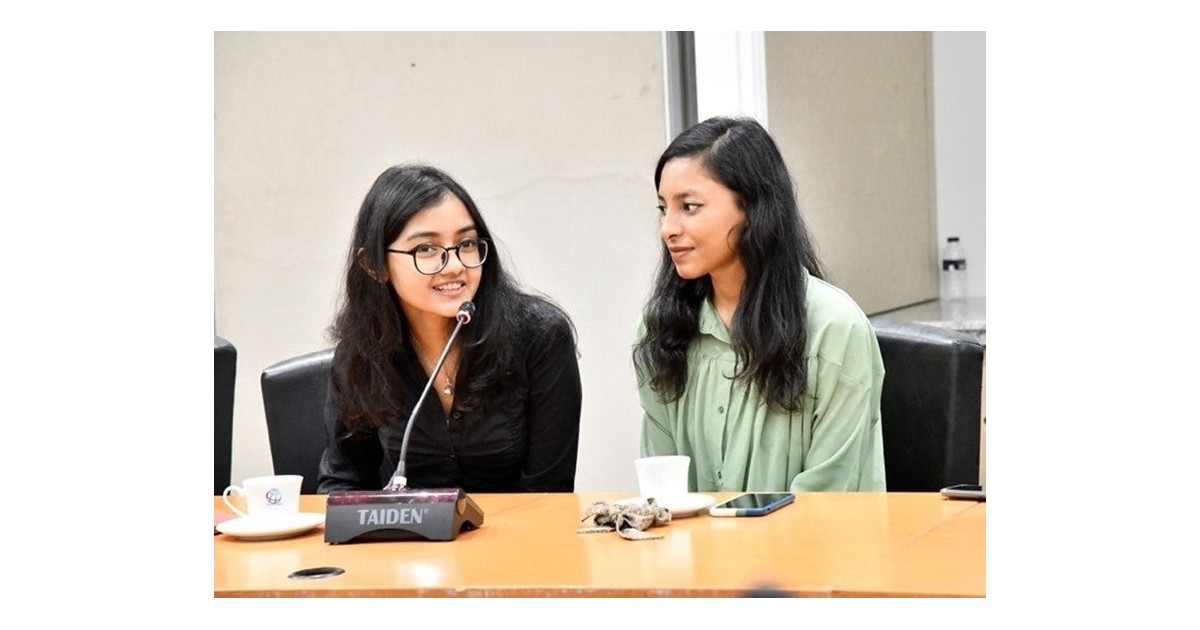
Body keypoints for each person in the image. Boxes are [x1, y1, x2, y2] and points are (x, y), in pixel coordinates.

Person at [633, 116, 886, 492]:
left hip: (811, 548)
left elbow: (831, 497)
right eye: (662, 208)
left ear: (753, 208)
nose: (667, 228)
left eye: (689, 206)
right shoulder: (663, 327)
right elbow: (664, 492)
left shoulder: (835, 327)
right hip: (695, 550)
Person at [318, 164, 582, 493]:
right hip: (410, 542)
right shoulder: (363, 350)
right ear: (374, 265)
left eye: (467, 244)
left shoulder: (540, 337)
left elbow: (549, 491)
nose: (455, 266)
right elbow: (343, 484)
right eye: (426, 249)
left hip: (517, 539)